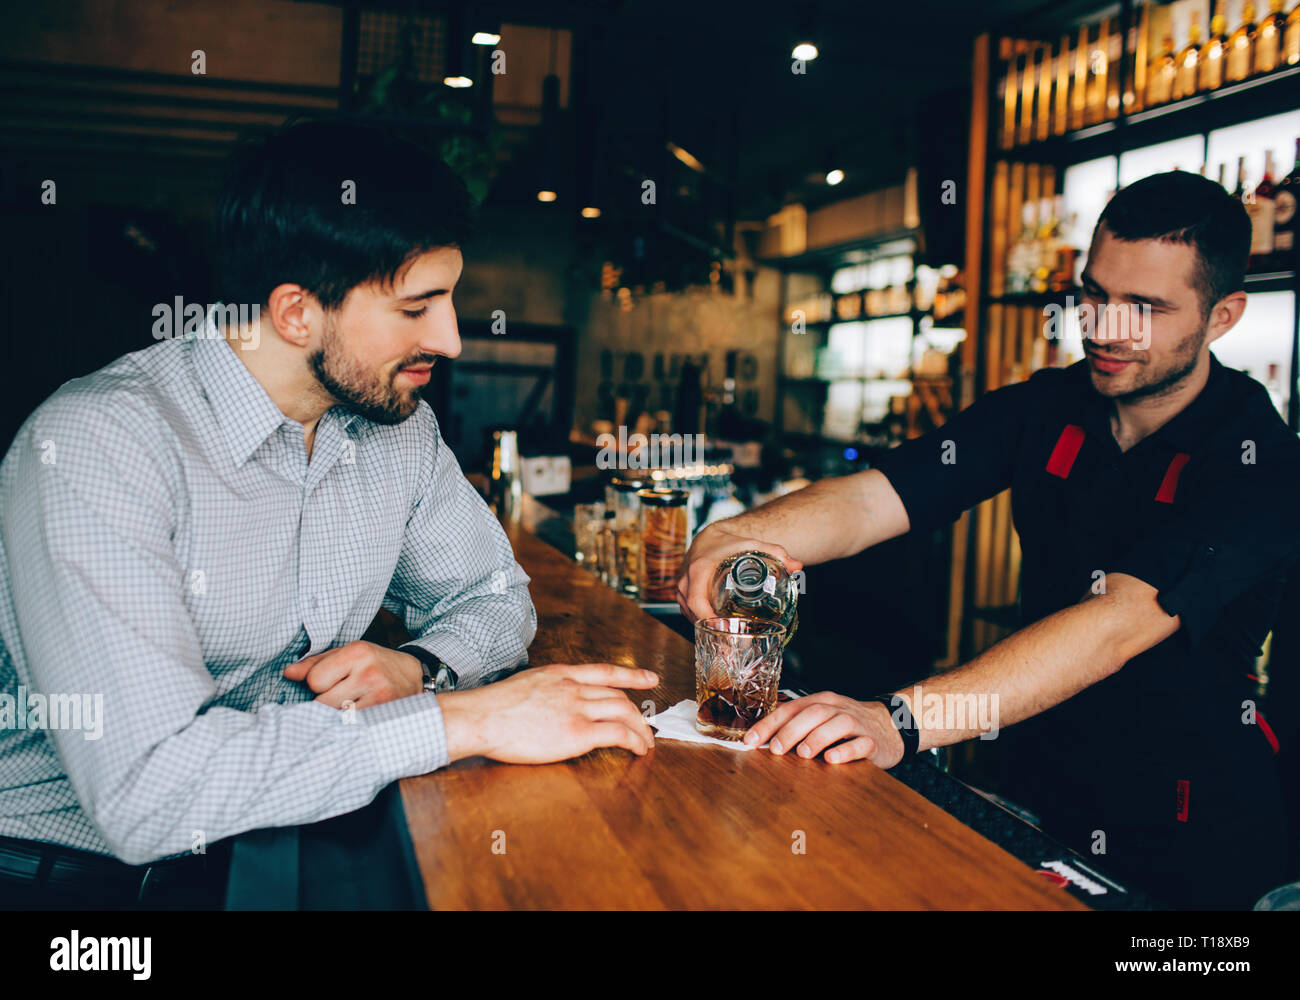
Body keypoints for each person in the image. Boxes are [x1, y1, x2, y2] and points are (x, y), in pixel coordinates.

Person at [0, 119, 655, 909]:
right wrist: (462, 720)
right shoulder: (100, 445)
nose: (449, 339)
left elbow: (491, 593)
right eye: (418, 308)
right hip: (75, 886)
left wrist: (421, 669)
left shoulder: (395, 429)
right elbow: (151, 790)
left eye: (450, 299)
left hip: (277, 845)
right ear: (295, 314)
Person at [678, 170, 1300, 910]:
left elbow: (1117, 625)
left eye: (1146, 307)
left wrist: (901, 720)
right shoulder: (1050, 405)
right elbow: (877, 498)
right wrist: (735, 532)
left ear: (1223, 316)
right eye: (1095, 294)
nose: (1105, 327)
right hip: (1041, 779)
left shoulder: (1260, 464)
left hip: (1188, 821)